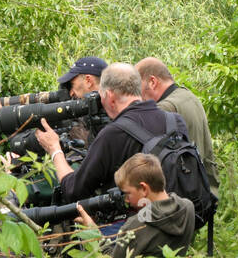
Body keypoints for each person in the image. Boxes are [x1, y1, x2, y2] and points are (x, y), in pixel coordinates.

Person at [36, 62, 176, 203]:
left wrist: (55, 149)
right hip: (179, 212)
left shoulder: (113, 134)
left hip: (139, 221)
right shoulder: (173, 120)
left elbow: (74, 190)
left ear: (109, 96)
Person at [75, 153, 196, 258]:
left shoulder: (137, 225)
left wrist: (94, 232)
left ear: (144, 188)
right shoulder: (187, 208)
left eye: (127, 194)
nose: (126, 200)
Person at [136, 57, 217, 184]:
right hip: (205, 185)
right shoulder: (188, 95)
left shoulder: (164, 108)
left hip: (186, 189)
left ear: (152, 82)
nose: (138, 95)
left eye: (137, 87)